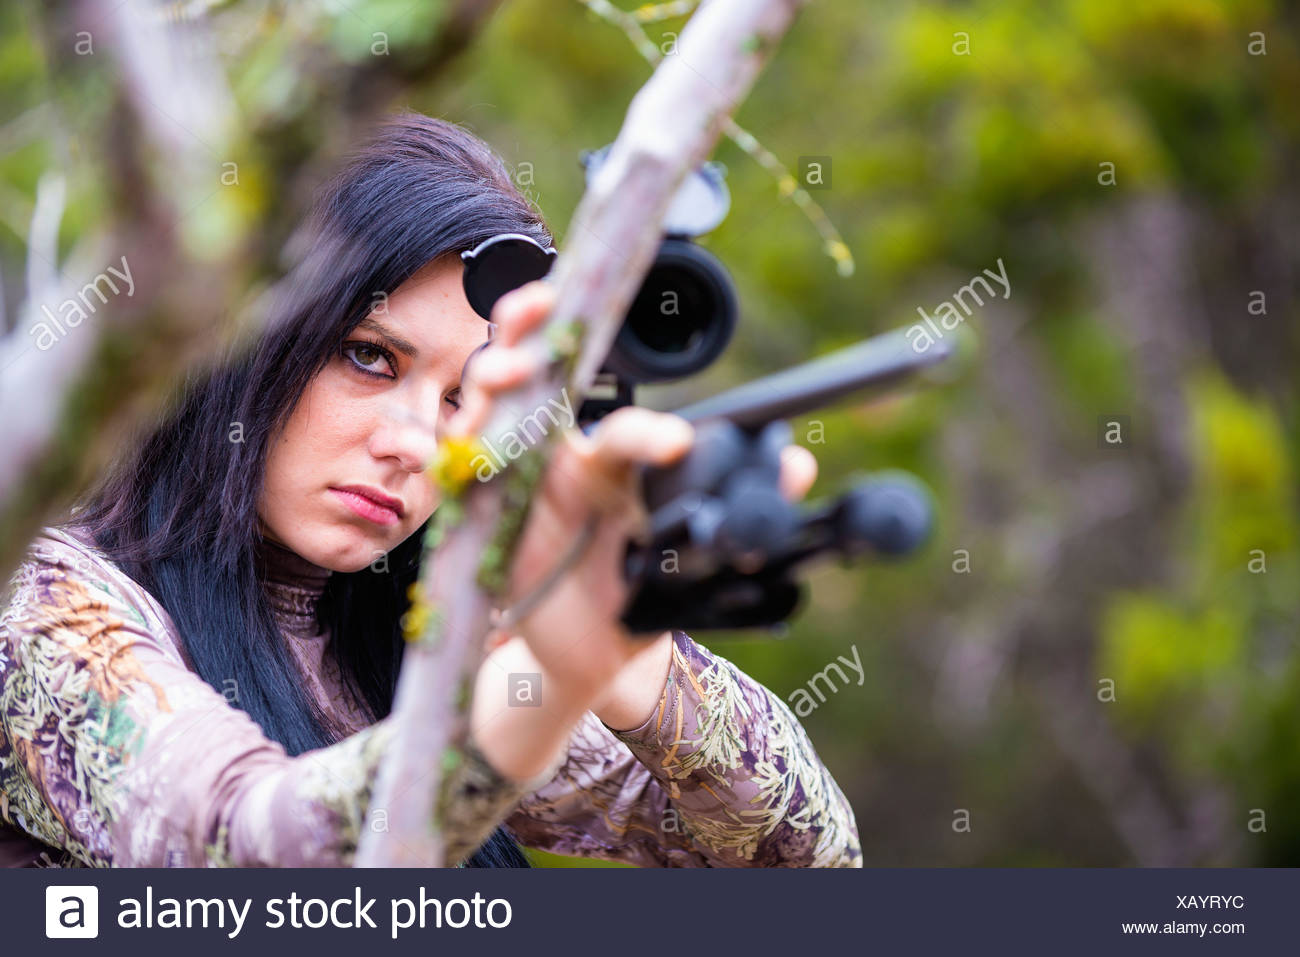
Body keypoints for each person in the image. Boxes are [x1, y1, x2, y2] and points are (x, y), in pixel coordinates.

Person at [0, 113, 861, 868]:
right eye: (370, 356)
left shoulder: (426, 631)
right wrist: (545, 681)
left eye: (463, 398)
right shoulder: (41, 605)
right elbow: (246, 846)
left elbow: (801, 859)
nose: (416, 443)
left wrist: (633, 651)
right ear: (244, 337)